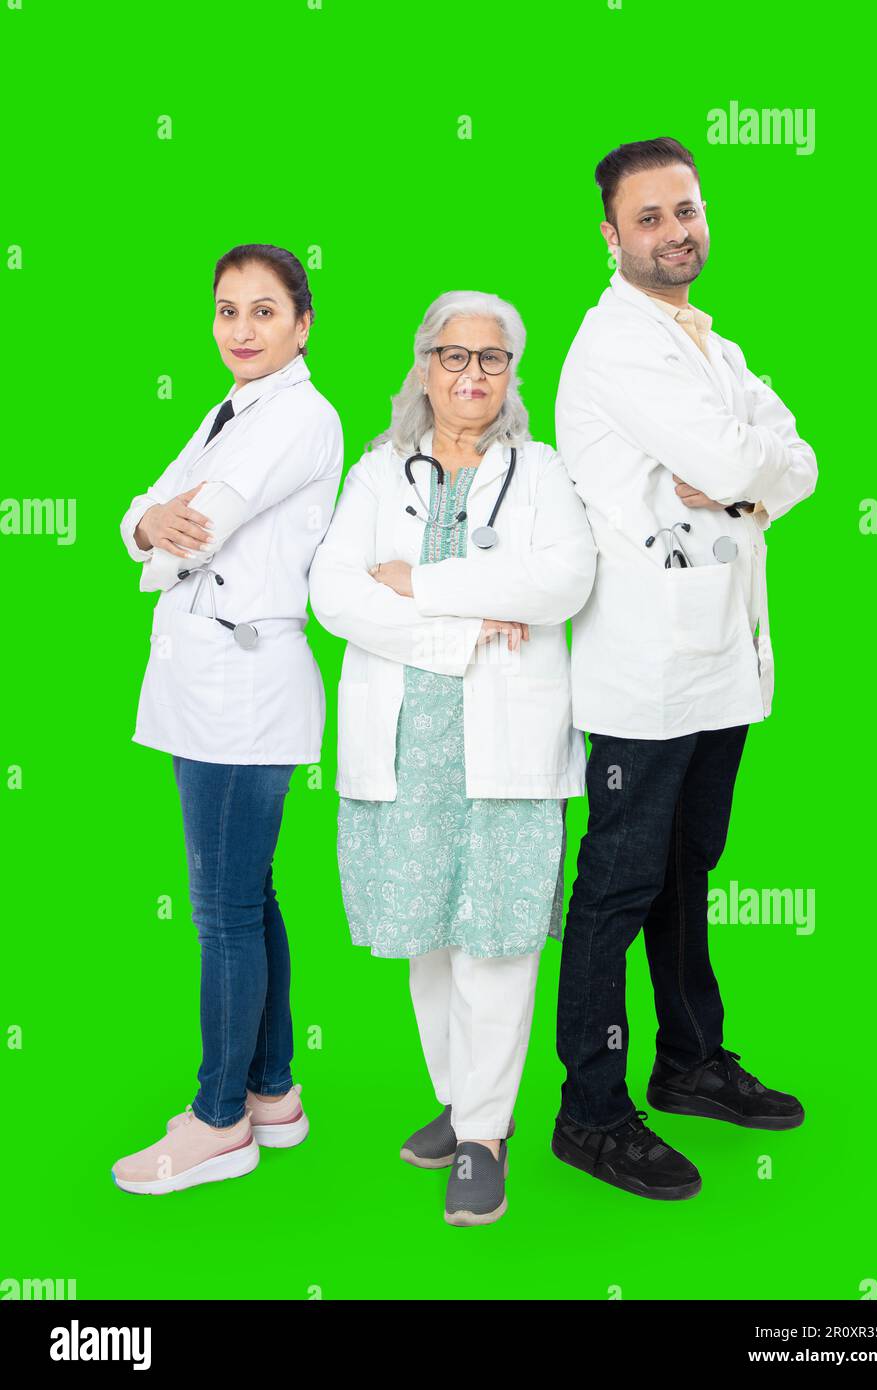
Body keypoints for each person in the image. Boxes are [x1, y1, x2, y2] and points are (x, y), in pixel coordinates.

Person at [553, 138, 818, 1201]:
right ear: (613, 237)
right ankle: (591, 1108)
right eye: (651, 218)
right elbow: (730, 459)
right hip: (646, 666)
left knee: (686, 866)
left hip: (717, 659)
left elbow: (793, 456)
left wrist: (746, 471)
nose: (677, 231)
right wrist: (739, 464)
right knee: (618, 882)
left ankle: (690, 1059)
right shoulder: (617, 346)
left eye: (688, 209)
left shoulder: (708, 341)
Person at [308, 290, 596, 1225]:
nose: (471, 375)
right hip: (402, 742)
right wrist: (466, 630)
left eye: (492, 359)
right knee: (424, 937)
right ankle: (460, 1096)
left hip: (506, 747)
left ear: (511, 374)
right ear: (423, 365)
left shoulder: (540, 473)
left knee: (497, 939)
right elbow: (334, 593)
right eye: (453, 356)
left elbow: (561, 580)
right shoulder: (374, 470)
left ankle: (483, 1134)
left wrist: (422, 583)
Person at [112, 244, 343, 1195]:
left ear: (302, 322)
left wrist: (155, 534)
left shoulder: (299, 418)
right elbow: (139, 512)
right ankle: (270, 1091)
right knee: (248, 895)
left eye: (262, 312)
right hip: (208, 682)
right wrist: (144, 523)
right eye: (225, 311)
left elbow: (190, 526)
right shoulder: (231, 411)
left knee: (221, 909)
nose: (240, 331)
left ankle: (217, 1122)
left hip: (239, 688)